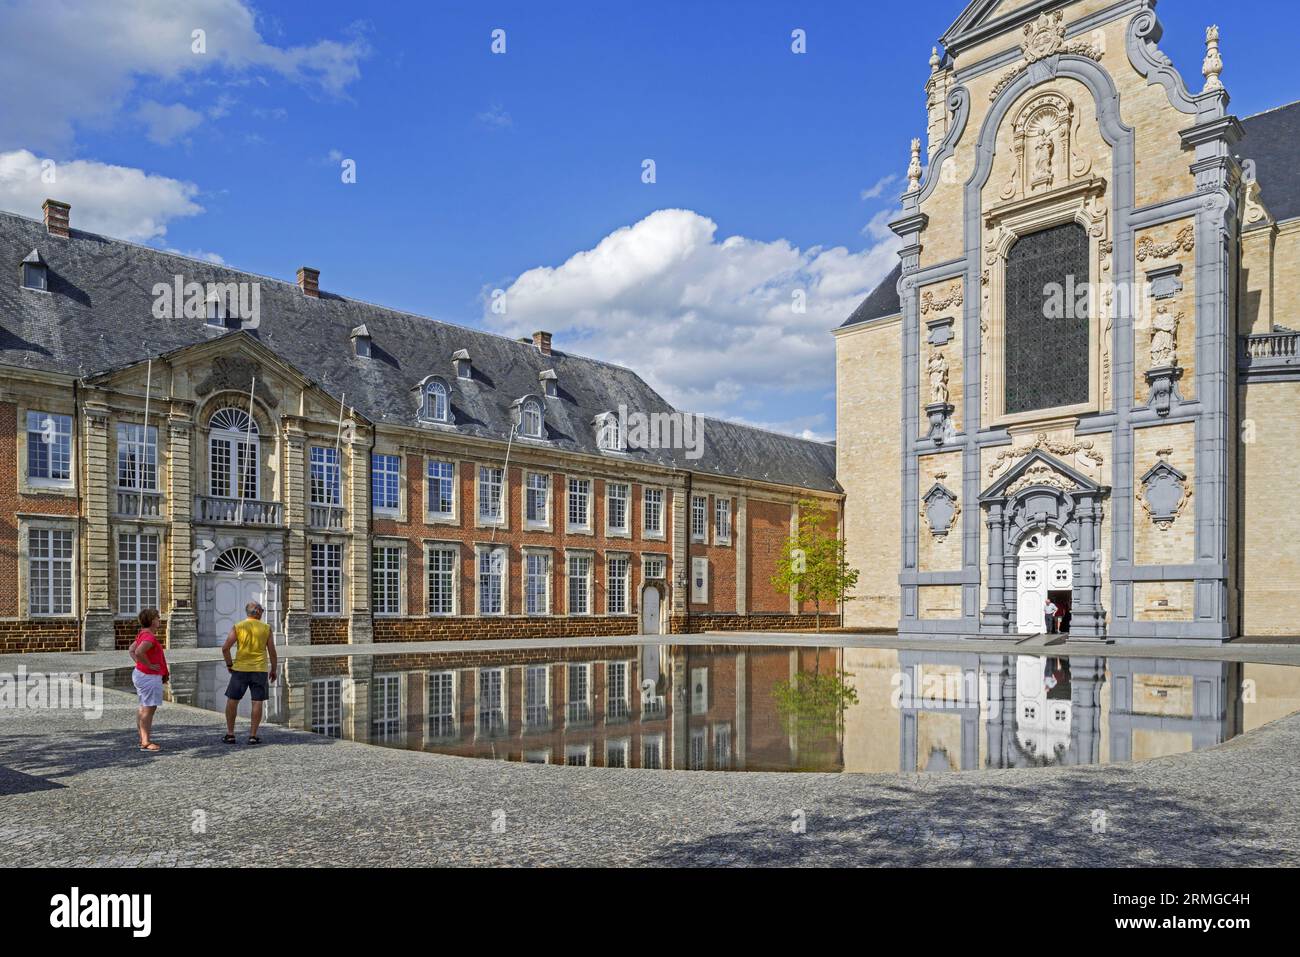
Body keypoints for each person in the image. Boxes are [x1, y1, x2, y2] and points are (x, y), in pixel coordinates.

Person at [221, 601, 277, 744]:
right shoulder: (266, 628)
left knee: (232, 701)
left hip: (240, 669)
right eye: (262, 610)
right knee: (257, 701)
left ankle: (230, 734)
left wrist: (229, 664)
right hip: (259, 670)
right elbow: (272, 652)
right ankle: (252, 735)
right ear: (257, 611)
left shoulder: (238, 626)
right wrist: (274, 669)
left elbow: (225, 648)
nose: (263, 612)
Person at [128, 608, 168, 752]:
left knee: (143, 706)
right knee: (148, 708)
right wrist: (148, 665)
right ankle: (145, 741)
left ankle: (142, 738)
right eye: (157, 618)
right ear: (152, 621)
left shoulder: (143, 634)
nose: (159, 620)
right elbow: (138, 652)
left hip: (141, 674)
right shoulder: (149, 637)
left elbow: (131, 650)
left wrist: (140, 664)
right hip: (149, 676)